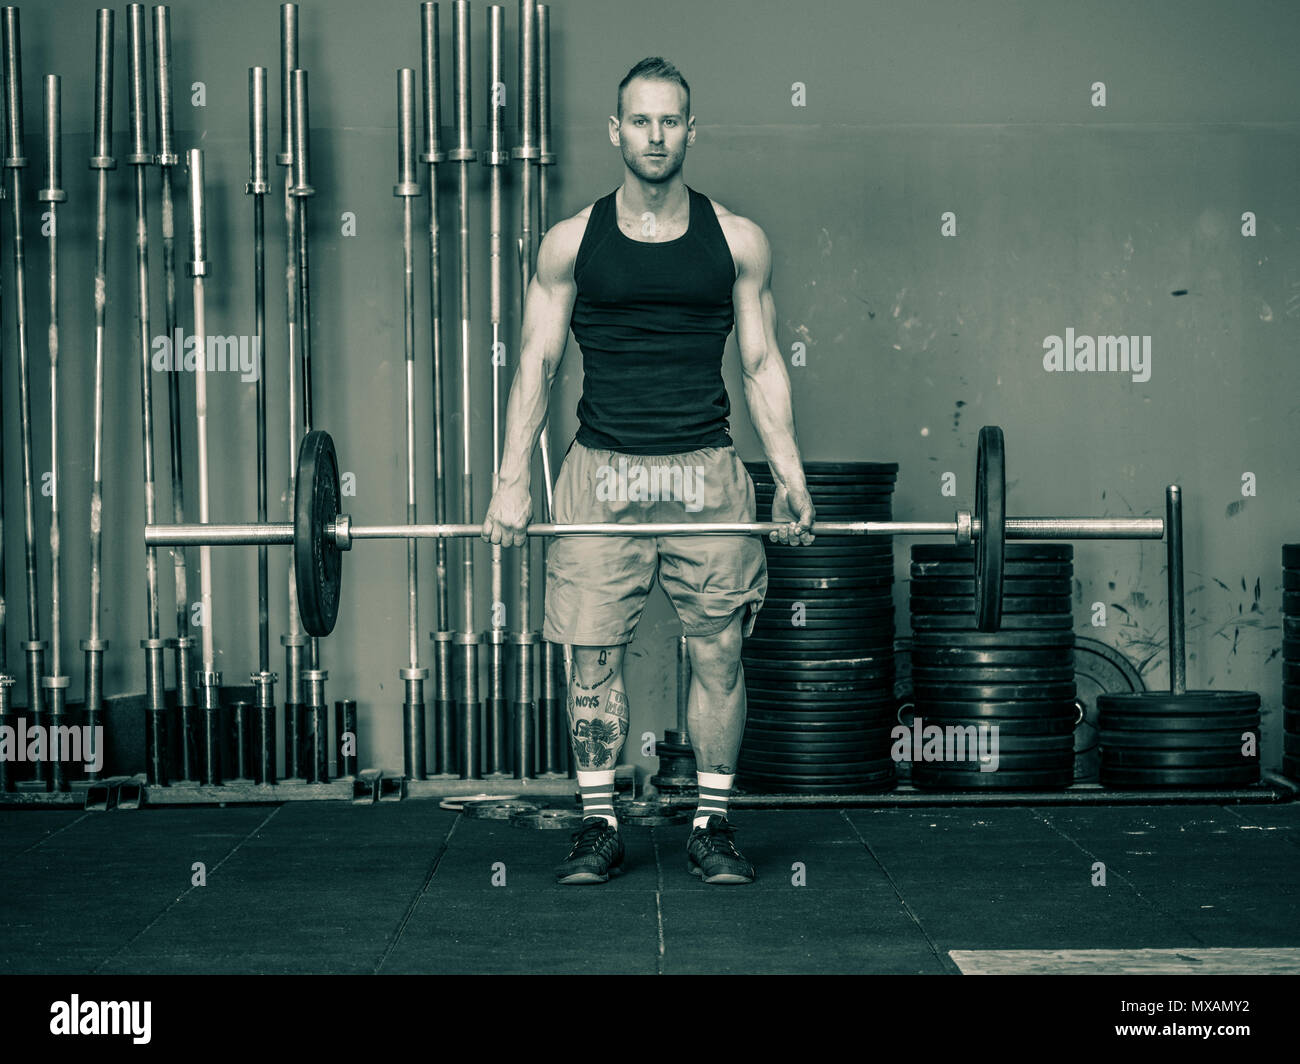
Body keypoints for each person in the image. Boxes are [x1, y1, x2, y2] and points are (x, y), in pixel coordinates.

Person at [483, 57, 814, 885]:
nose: (655, 135)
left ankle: (712, 824)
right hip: (602, 473)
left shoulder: (736, 240)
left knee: (719, 653)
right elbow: (536, 360)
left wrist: (791, 476)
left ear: (690, 131)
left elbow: (763, 363)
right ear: (616, 130)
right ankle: (598, 823)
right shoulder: (571, 243)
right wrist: (511, 479)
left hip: (706, 471)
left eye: (670, 121)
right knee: (590, 655)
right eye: (640, 120)